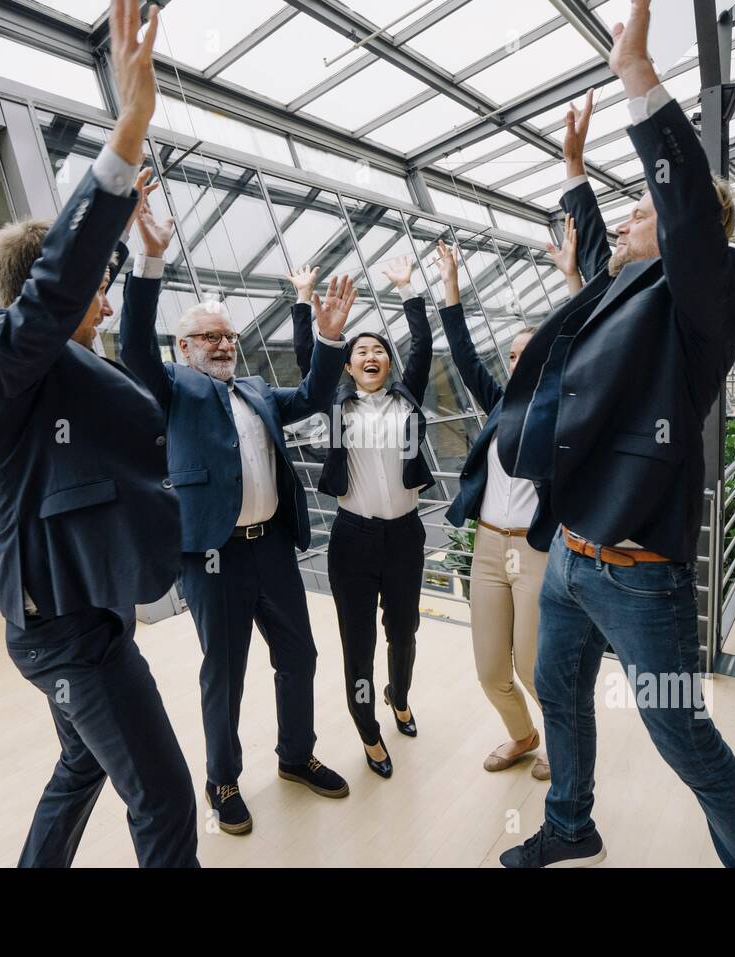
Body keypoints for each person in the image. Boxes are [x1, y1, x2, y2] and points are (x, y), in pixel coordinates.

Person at [496, 0, 735, 868]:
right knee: (559, 692)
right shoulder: (629, 288)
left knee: (680, 736)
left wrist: (640, 82)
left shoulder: (707, 299)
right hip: (573, 558)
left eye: (640, 213)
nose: (626, 221)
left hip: (639, 578)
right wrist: (576, 174)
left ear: (690, 232)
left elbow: (684, 214)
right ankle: (572, 825)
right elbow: (598, 259)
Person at [0, 2, 198, 868]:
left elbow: (141, 381)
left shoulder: (71, 369)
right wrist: (128, 129)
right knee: (162, 798)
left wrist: (146, 261)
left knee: (81, 761)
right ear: (49, 292)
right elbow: (52, 298)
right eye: (97, 290)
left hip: (80, 617)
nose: (105, 301)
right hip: (66, 634)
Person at [118, 186, 353, 836]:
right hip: (212, 555)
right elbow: (135, 347)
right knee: (225, 672)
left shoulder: (254, 388)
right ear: (185, 346)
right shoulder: (173, 388)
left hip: (271, 547)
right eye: (208, 335)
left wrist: (328, 339)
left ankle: (296, 754)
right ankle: (222, 777)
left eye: (229, 334)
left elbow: (311, 396)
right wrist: (148, 260)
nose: (223, 343)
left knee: (299, 656)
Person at [437, 90, 606, 782]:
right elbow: (462, 352)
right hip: (488, 546)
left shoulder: (563, 403)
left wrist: (571, 278)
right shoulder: (499, 402)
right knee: (488, 668)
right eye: (511, 353)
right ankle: (524, 737)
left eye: (527, 351)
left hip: (537, 550)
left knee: (539, 666)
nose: (516, 359)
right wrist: (449, 288)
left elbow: (588, 332)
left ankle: (567, 755)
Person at [286, 259, 433, 778]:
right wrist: (304, 298)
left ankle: (400, 695)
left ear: (388, 363)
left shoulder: (406, 397)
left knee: (405, 630)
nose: (370, 355)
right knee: (358, 640)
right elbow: (309, 357)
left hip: (406, 536)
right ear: (347, 366)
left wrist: (406, 289)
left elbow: (425, 344)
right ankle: (368, 727)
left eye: (378, 351)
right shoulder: (336, 404)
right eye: (360, 351)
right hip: (352, 539)